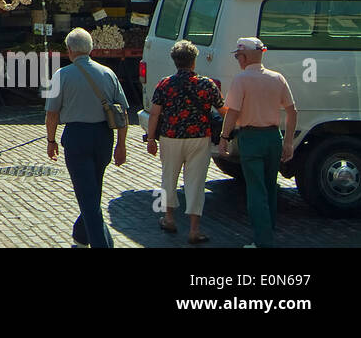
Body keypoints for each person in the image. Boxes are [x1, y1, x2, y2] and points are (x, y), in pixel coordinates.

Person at [45, 27, 129, 248]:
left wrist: (51, 140)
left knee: (88, 197)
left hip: (77, 137)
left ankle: (101, 244)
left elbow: (51, 113)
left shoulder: (62, 75)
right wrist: (121, 145)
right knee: (92, 192)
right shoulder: (108, 73)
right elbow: (123, 112)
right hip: (103, 136)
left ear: (70, 50)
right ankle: (80, 236)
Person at [218, 37, 297, 249]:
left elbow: (233, 112)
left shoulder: (241, 80)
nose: (237, 60)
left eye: (237, 56)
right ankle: (268, 231)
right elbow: (292, 111)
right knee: (270, 185)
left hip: (251, 137)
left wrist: (224, 138)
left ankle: (262, 241)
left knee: (256, 189)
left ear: (244, 56)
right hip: (273, 138)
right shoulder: (277, 78)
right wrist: (288, 141)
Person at [146, 39, 223, 244]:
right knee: (196, 183)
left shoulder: (164, 84)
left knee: (168, 178)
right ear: (194, 61)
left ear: (174, 61)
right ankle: (194, 229)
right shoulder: (207, 84)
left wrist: (151, 139)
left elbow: (154, 114)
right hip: (199, 138)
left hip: (170, 137)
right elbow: (223, 110)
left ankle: (169, 219)